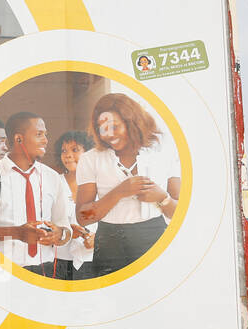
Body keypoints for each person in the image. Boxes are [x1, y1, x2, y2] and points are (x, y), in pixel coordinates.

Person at [75, 93, 181, 276]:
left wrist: (162, 198)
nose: (109, 134)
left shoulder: (163, 153)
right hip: (110, 242)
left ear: (133, 122)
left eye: (115, 126)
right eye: (102, 128)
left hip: (154, 236)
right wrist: (118, 193)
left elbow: (181, 212)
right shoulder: (90, 159)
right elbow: (83, 217)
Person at [0, 112, 74, 278]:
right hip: (1, 271)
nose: (45, 140)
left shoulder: (53, 178)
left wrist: (60, 234)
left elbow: (66, 229)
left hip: (45, 271)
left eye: (46, 134)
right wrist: (16, 233)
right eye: (39, 134)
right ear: (18, 139)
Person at [52, 130, 96, 280]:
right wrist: (67, 230)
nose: (68, 155)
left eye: (75, 150)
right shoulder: (53, 183)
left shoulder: (100, 183)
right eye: (63, 150)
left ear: (89, 153)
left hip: (93, 259)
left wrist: (99, 238)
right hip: (60, 260)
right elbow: (43, 217)